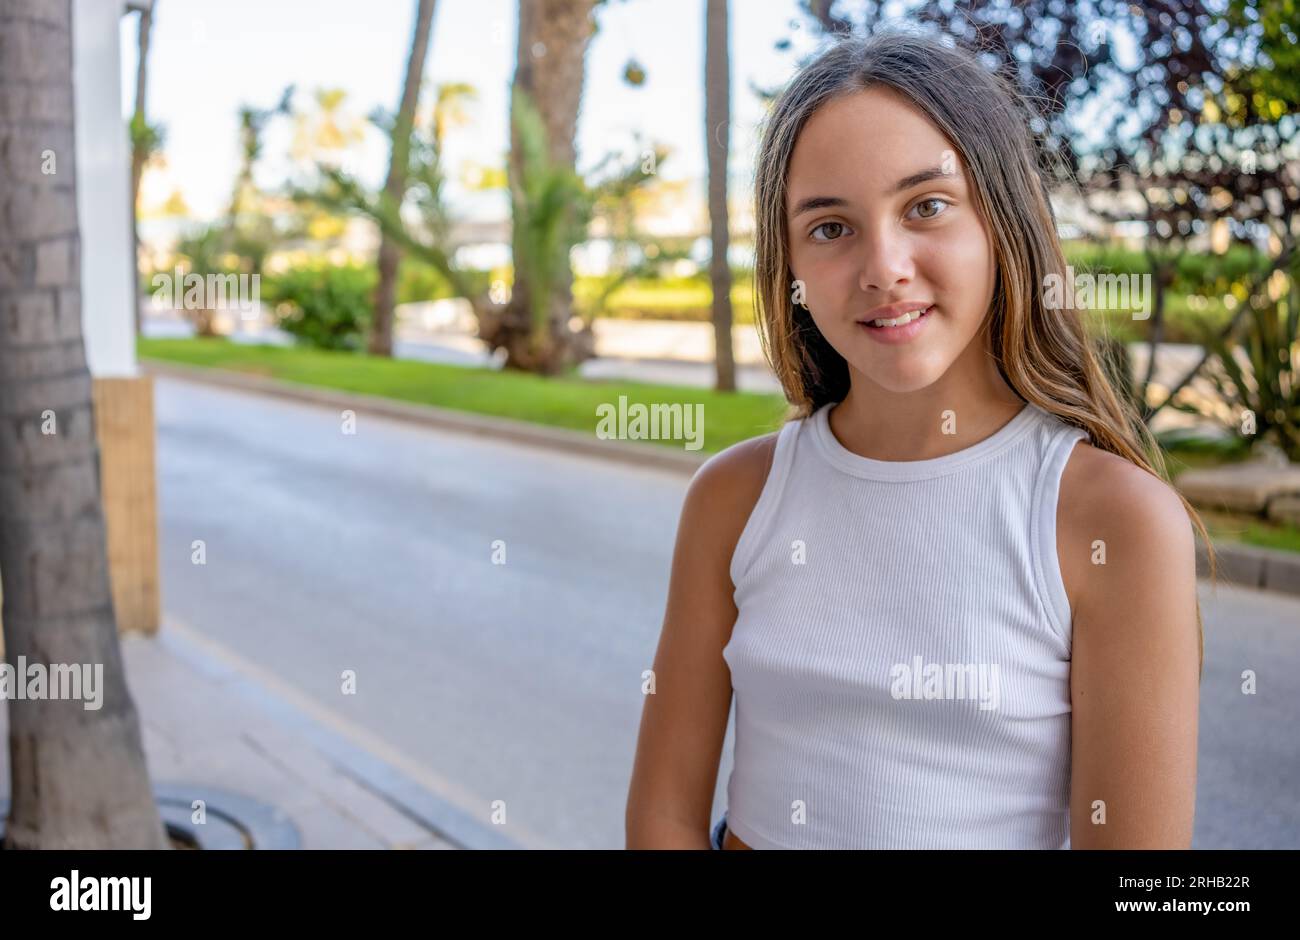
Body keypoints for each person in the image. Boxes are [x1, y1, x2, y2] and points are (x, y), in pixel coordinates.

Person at [625, 28, 1215, 850]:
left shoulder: (1115, 520)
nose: (884, 266)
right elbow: (662, 820)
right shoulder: (733, 499)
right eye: (831, 227)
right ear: (788, 264)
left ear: (1002, 222)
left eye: (926, 207)